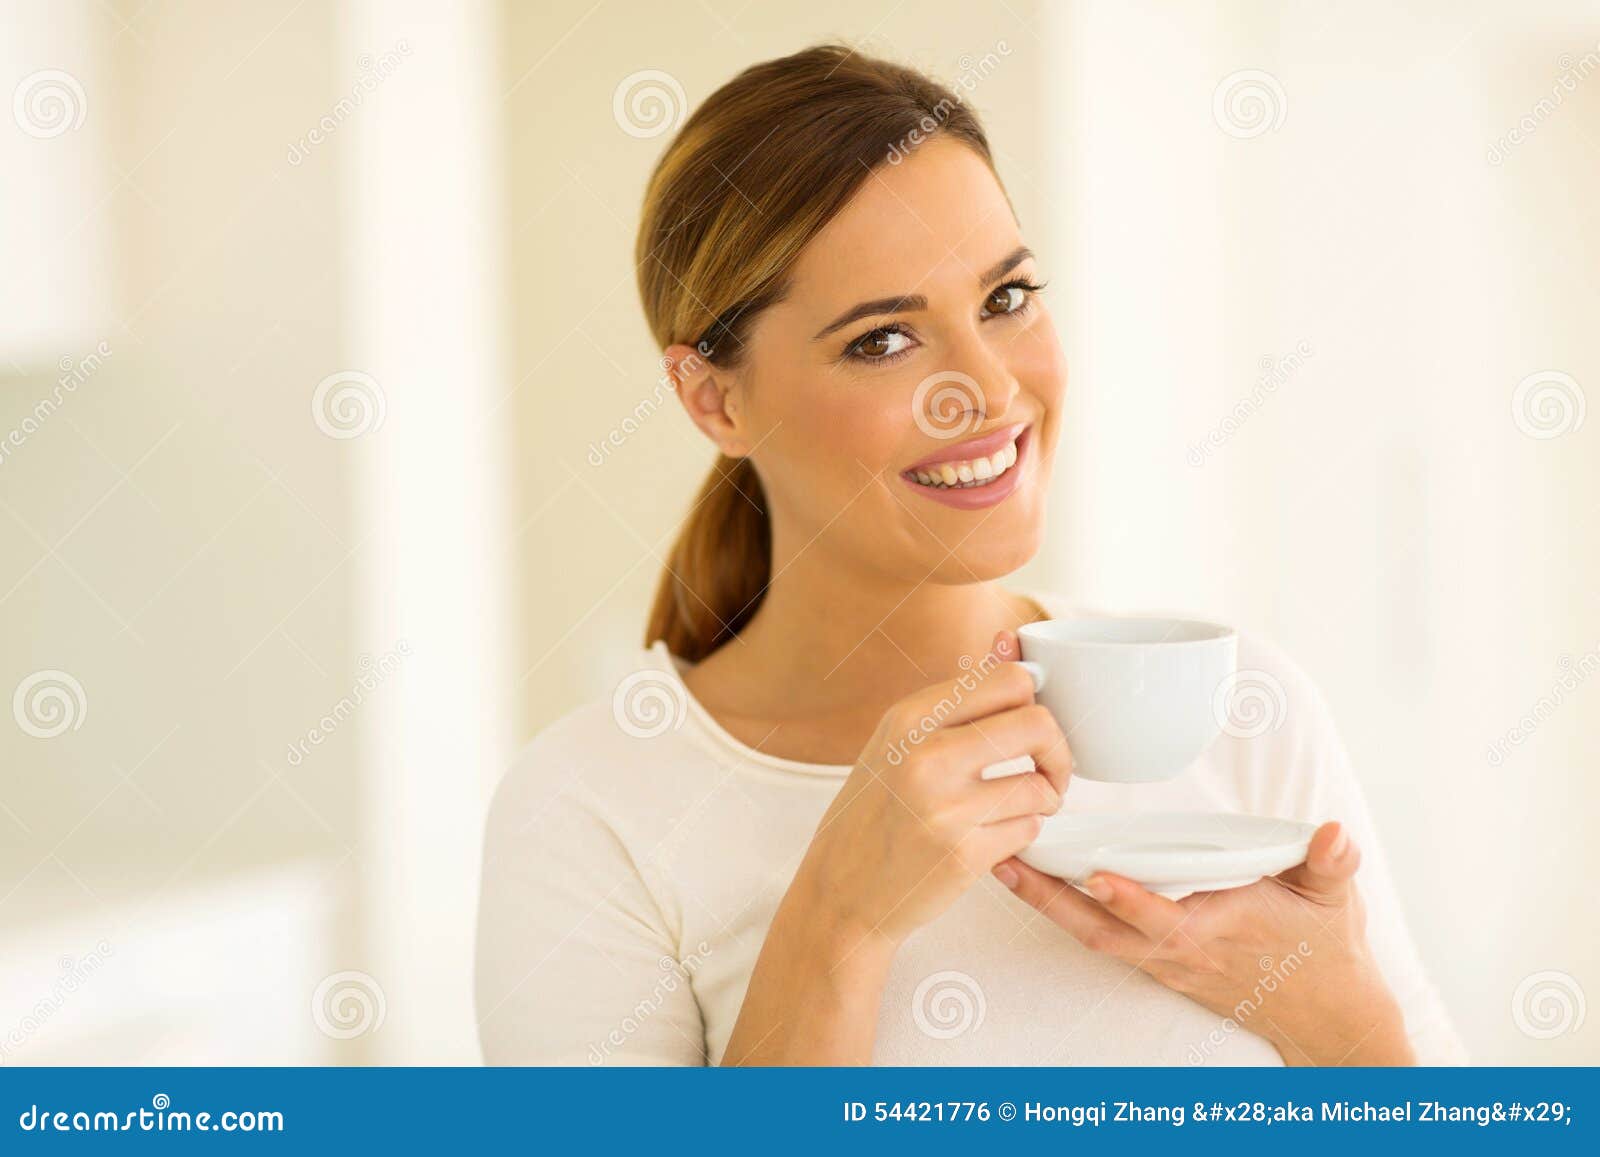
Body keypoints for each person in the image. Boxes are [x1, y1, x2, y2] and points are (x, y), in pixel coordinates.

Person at [474, 44, 1464, 1067]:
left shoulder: (1240, 707)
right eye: (882, 340)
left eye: (1005, 298)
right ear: (713, 398)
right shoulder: (590, 809)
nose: (987, 390)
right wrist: (838, 918)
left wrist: (1334, 1019)